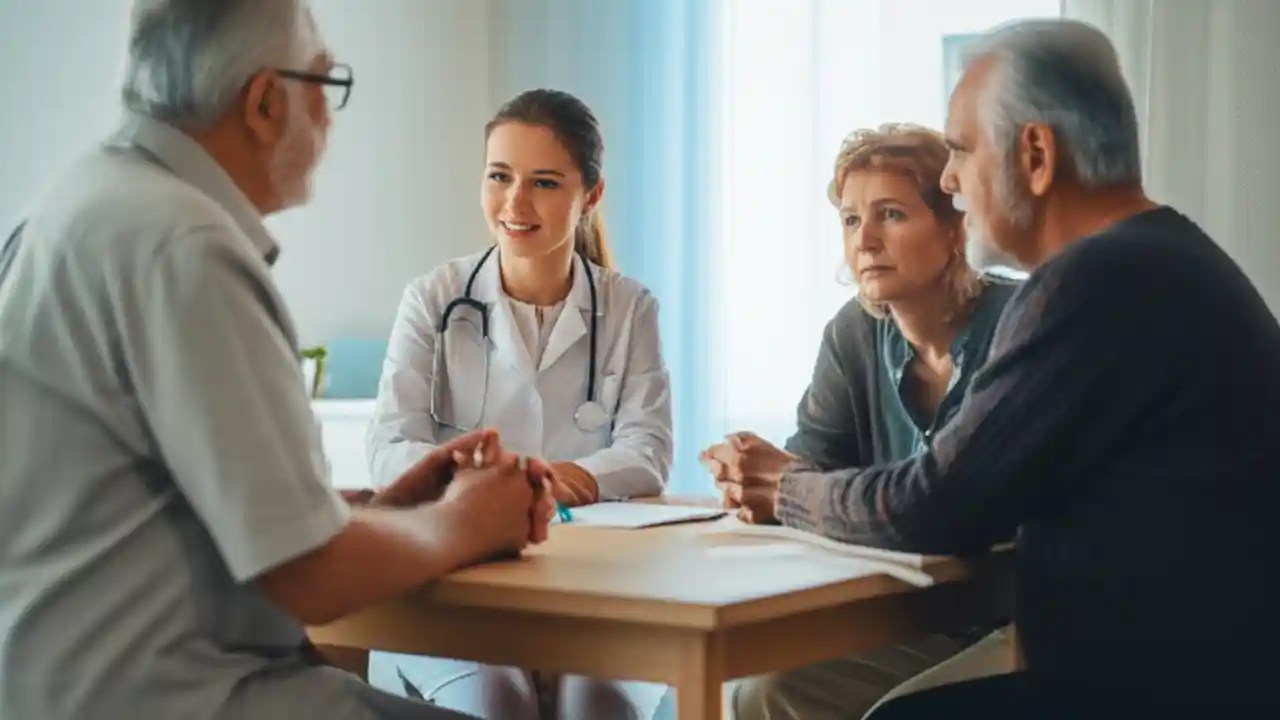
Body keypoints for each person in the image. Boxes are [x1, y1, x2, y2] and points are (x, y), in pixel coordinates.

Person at [0, 2, 554, 719]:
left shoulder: (73, 208)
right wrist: (468, 524)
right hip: (174, 696)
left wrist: (383, 513)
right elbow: (308, 577)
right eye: (325, 83)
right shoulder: (186, 244)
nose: (329, 115)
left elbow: (186, 523)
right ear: (264, 102)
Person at [719, 18, 1280, 717]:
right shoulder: (1163, 258)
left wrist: (793, 489)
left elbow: (930, 506)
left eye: (960, 150)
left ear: (1036, 154)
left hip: (1158, 686)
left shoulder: (1092, 283)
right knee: (776, 693)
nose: (952, 182)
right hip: (1196, 665)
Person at [365, 89, 673, 719]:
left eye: (545, 182)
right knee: (497, 699)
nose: (515, 202)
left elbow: (649, 448)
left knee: (596, 704)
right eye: (499, 176)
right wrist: (481, 492)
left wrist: (560, 480)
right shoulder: (434, 299)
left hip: (593, 589)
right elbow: (389, 445)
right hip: (456, 582)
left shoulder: (629, 307)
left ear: (591, 196)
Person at [700, 123, 1018, 720]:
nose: (865, 239)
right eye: (850, 220)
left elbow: (950, 509)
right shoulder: (855, 333)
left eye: (891, 214)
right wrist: (757, 479)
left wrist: (790, 485)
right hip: (920, 616)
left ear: (956, 229)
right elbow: (808, 469)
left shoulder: (1018, 325)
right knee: (763, 694)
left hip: (1024, 619)